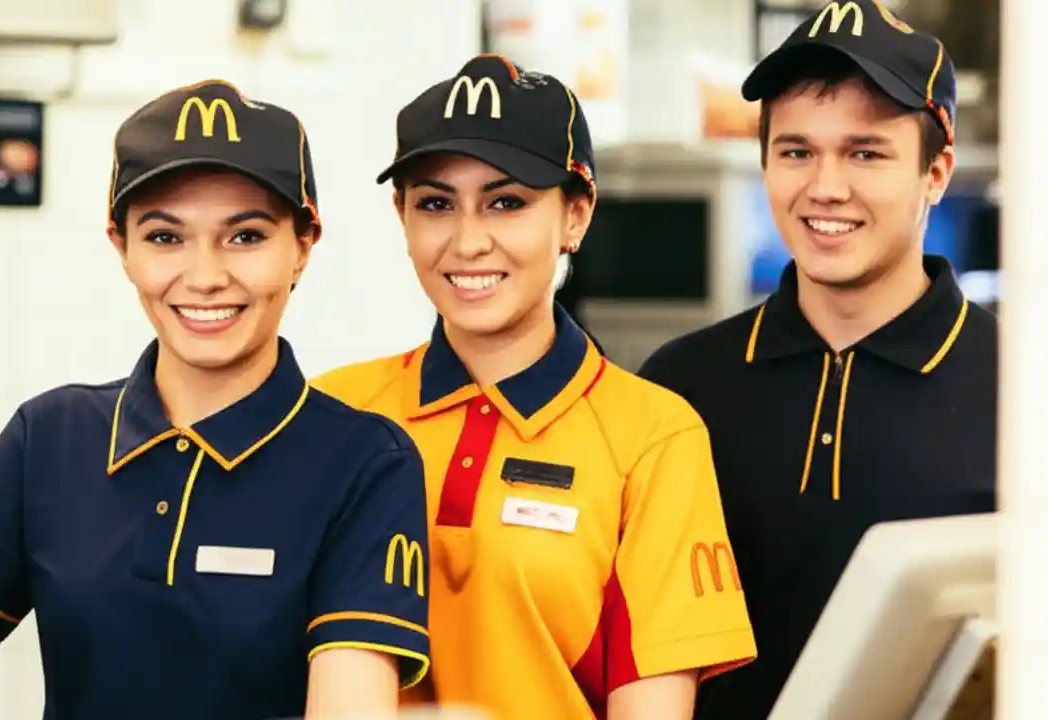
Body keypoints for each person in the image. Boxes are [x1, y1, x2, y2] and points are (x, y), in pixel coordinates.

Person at [0, 79, 430, 720]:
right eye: (165, 237)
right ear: (120, 245)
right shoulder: (50, 438)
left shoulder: (364, 464)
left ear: (303, 244)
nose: (205, 277)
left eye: (245, 236)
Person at [313, 54, 757, 720]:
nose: (468, 241)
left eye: (507, 203)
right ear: (402, 216)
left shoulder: (653, 437)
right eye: (437, 203)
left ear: (575, 217)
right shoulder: (334, 414)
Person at [637, 3, 998, 718]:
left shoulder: (1030, 391)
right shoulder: (677, 389)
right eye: (797, 151)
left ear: (936, 172)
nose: (826, 188)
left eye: (866, 153)